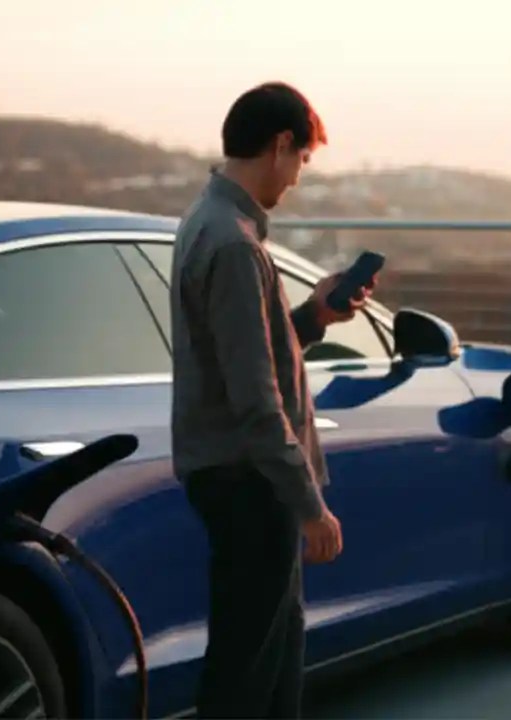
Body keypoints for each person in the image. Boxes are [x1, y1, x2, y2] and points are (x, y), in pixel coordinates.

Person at [169, 81, 377, 718]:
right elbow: (257, 400)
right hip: (249, 481)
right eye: (303, 161)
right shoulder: (233, 244)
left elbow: (246, 352)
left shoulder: (209, 223)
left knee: (274, 663)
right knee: (247, 675)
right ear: (281, 144)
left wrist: (313, 317)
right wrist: (309, 505)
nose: (297, 180)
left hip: (238, 475)